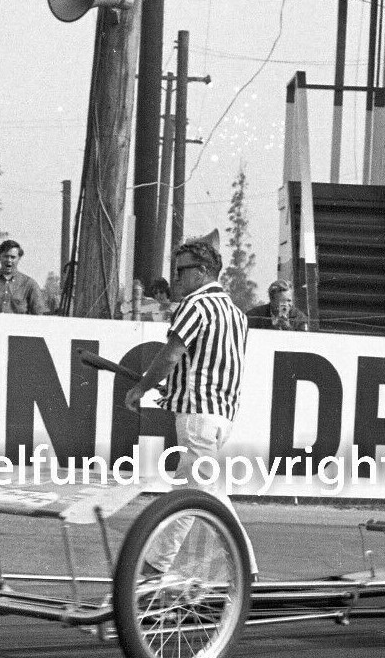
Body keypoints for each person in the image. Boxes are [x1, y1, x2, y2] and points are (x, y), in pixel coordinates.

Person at [123, 238, 249, 575]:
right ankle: (247, 569)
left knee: (187, 497)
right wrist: (176, 384)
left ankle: (153, 568)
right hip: (222, 415)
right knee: (212, 495)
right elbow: (211, 364)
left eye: (181, 271)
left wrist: (142, 387)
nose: (175, 279)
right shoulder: (237, 314)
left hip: (197, 416)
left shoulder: (195, 306)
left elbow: (171, 355)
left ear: (203, 272)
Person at [0, 239, 50, 315]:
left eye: (13, 257)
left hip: (19, 330)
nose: (9, 260)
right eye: (6, 256)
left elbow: (40, 314)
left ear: (19, 258)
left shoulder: (29, 284)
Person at [244, 279, 309, 332]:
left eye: (289, 301)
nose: (286, 305)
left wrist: (288, 328)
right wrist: (274, 327)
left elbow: (303, 343)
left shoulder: (300, 318)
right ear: (272, 300)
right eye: (282, 301)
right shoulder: (254, 316)